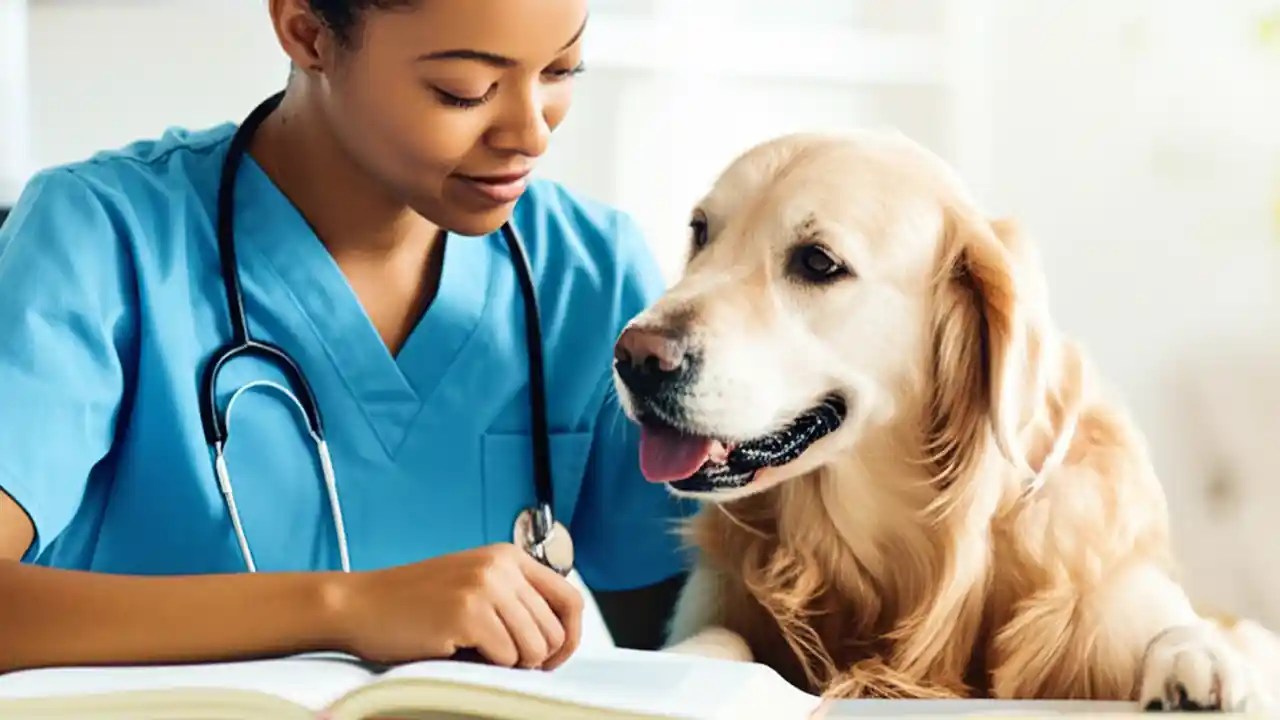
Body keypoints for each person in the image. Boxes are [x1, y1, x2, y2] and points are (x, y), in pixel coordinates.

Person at [0, 0, 694, 674]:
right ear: (306, 33)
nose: (530, 133)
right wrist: (348, 607)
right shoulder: (100, 238)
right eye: (465, 90)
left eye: (560, 71)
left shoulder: (588, 274)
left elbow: (698, 648)